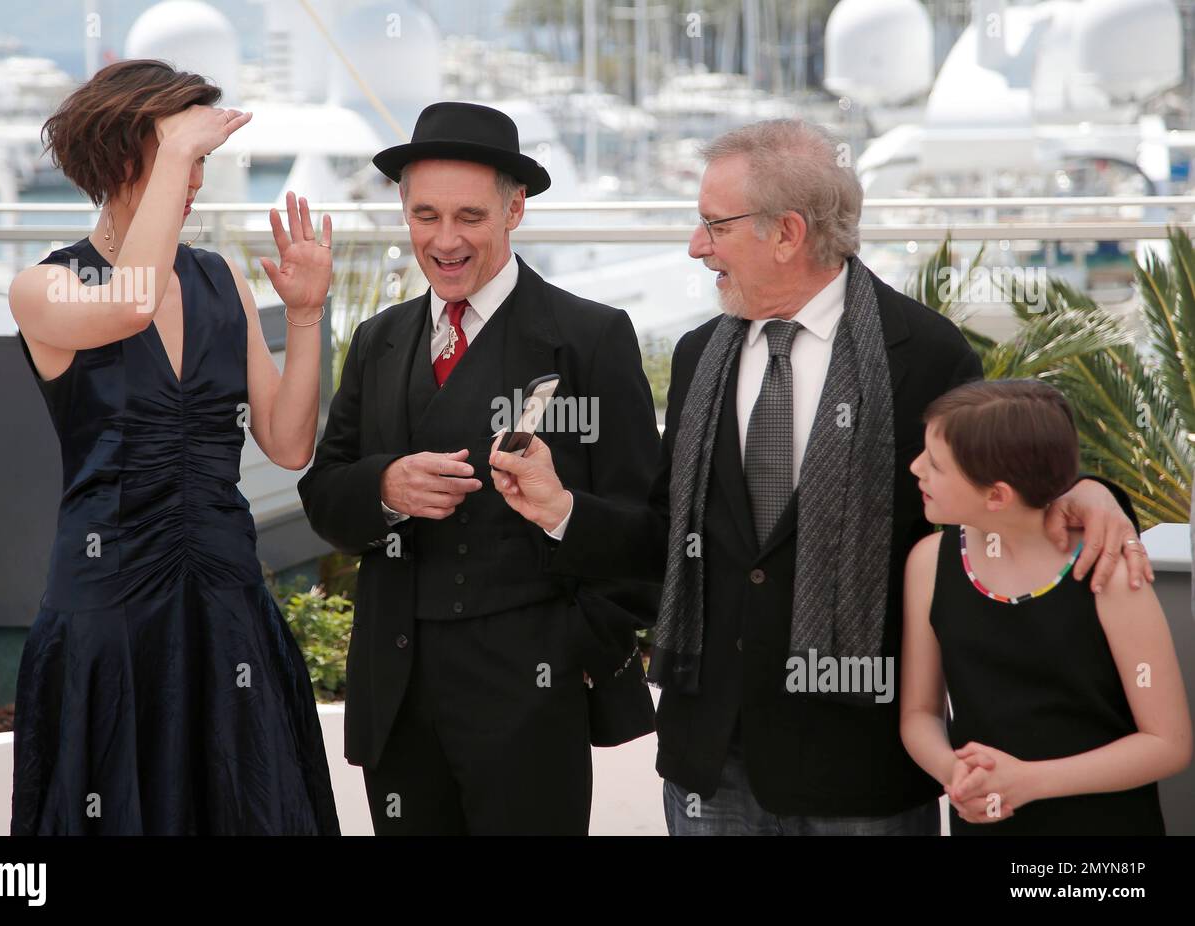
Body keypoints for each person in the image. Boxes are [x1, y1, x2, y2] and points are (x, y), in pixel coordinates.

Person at [489, 118, 1152, 836]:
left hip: (858, 770)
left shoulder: (924, 354)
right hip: (713, 761)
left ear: (788, 234)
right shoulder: (696, 357)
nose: (696, 247)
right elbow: (669, 540)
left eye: (714, 225)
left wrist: (1090, 494)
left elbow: (994, 502)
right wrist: (560, 508)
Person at [296, 101, 661, 835]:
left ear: (515, 209)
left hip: (532, 699)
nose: (445, 240)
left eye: (469, 216)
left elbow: (651, 533)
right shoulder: (378, 340)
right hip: (399, 697)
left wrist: (577, 649)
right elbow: (326, 497)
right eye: (425, 215)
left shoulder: (589, 339)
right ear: (403, 209)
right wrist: (386, 488)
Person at [7, 59, 338, 835]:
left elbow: (288, 446)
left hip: (225, 600)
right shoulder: (45, 288)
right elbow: (127, 305)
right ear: (127, 157)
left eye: (201, 162)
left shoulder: (221, 278)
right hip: (108, 605)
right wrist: (176, 154)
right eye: (184, 158)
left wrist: (306, 317)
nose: (197, 181)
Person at [900, 379, 1191, 834]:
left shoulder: (1109, 575)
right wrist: (955, 775)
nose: (916, 467)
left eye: (936, 464)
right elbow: (919, 714)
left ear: (997, 495)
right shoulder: (928, 564)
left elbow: (1168, 743)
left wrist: (1027, 782)